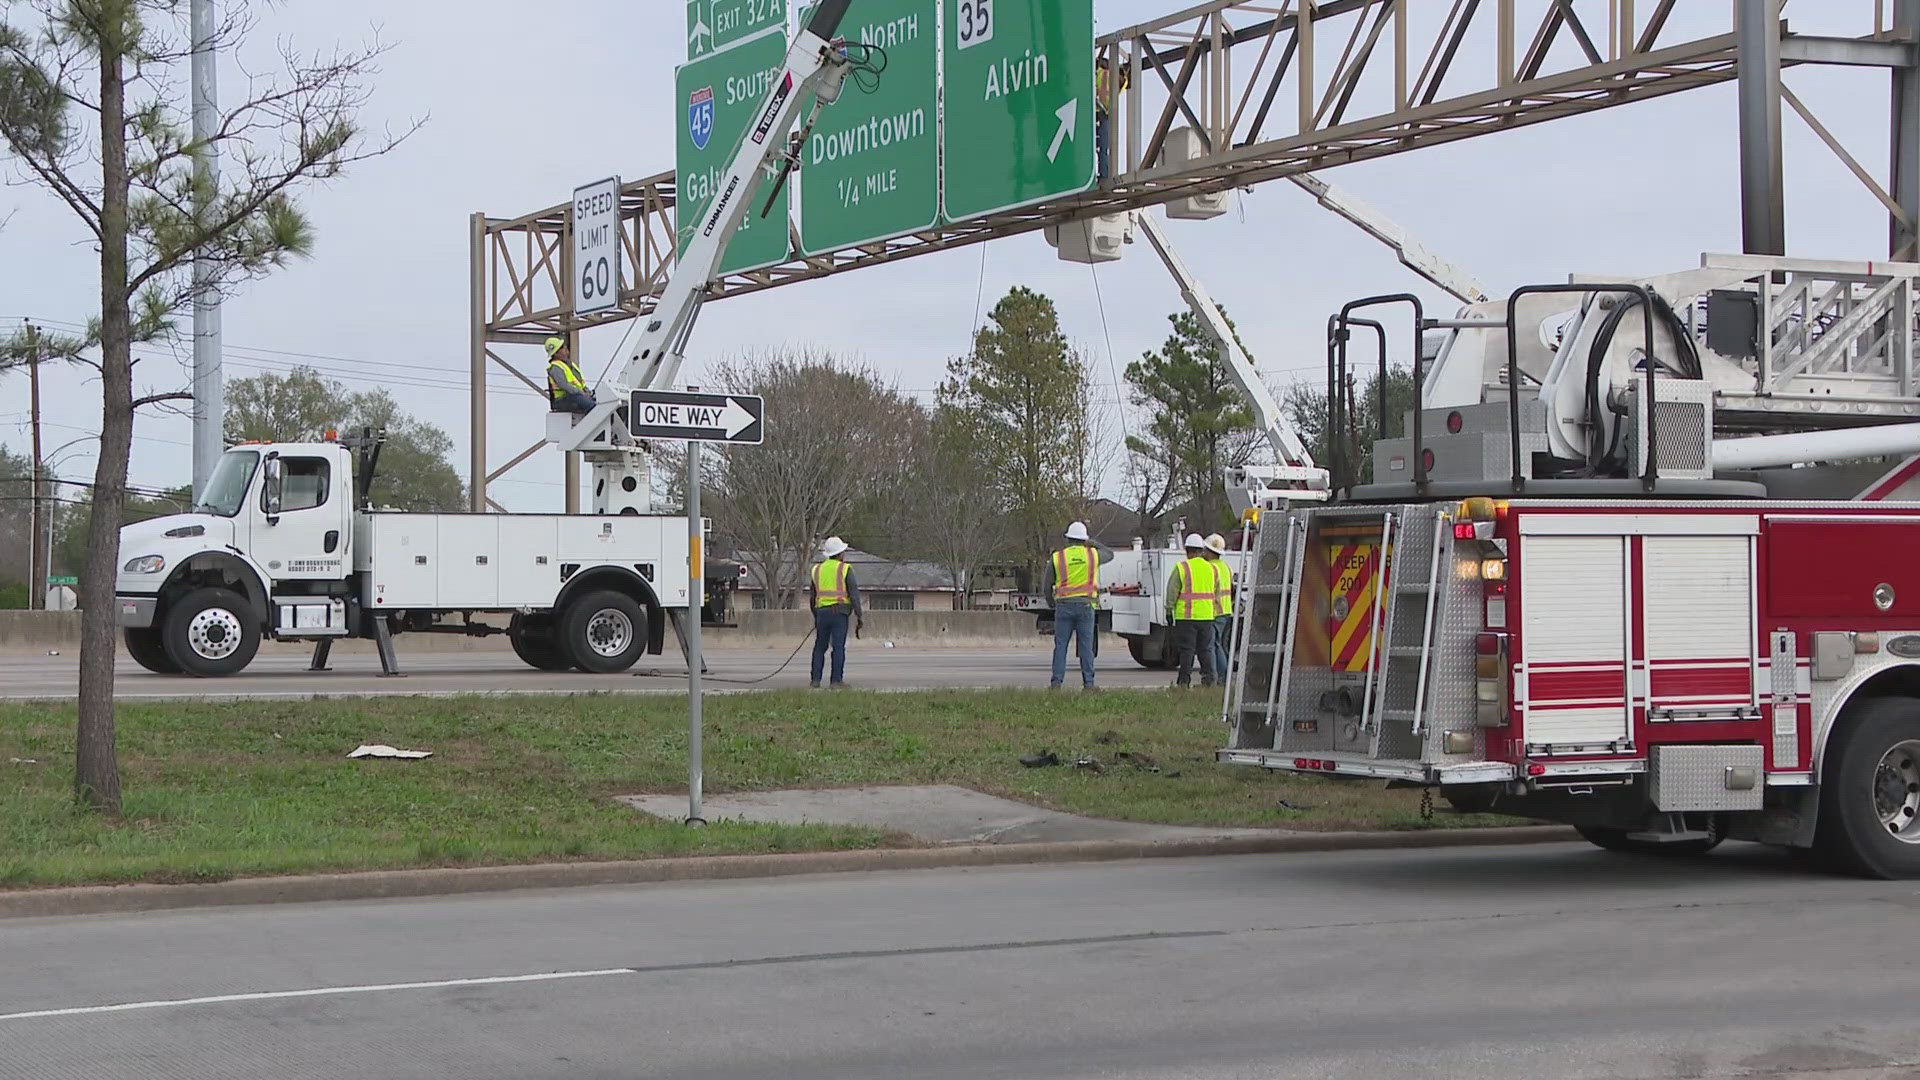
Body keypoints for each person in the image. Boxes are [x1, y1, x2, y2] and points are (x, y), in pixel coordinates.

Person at [1043, 521, 1102, 690]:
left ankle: (1056, 683)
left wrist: (1051, 603)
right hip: (1085, 606)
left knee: (1061, 646)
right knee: (1086, 647)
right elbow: (1110, 554)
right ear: (1084, 540)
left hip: (1063, 606)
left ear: (1068, 539)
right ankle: (1089, 685)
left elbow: (1046, 585)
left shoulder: (1058, 557)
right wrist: (1093, 543)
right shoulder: (1092, 555)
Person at [1165, 533, 1222, 688]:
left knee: (1187, 651)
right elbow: (1216, 593)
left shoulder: (1182, 567)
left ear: (1187, 550)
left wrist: (1169, 611)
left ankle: (1184, 682)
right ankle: (1209, 681)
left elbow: (1172, 591)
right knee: (1206, 650)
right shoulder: (1212, 568)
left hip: (1186, 617)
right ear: (1202, 550)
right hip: (1207, 617)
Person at [808, 536, 863, 689]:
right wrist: (859, 615)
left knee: (819, 647)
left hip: (821, 613)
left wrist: (816, 615)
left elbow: (812, 596)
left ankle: (815, 680)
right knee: (838, 647)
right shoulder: (845, 569)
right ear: (840, 554)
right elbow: (854, 594)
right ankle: (836, 681)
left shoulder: (816, 569)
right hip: (839, 613)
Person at [1206, 533, 1235, 681]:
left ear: (1211, 552)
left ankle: (1222, 677)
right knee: (1220, 645)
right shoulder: (1226, 567)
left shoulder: (1210, 568)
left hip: (1215, 612)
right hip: (1226, 611)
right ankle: (1224, 675)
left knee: (1213, 645)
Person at [546, 337, 596, 415]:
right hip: (563, 400)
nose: (565, 347)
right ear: (556, 353)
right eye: (562, 347)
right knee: (591, 406)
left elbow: (580, 383)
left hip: (575, 395)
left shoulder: (570, 365)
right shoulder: (555, 367)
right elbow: (564, 385)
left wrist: (588, 393)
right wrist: (581, 393)